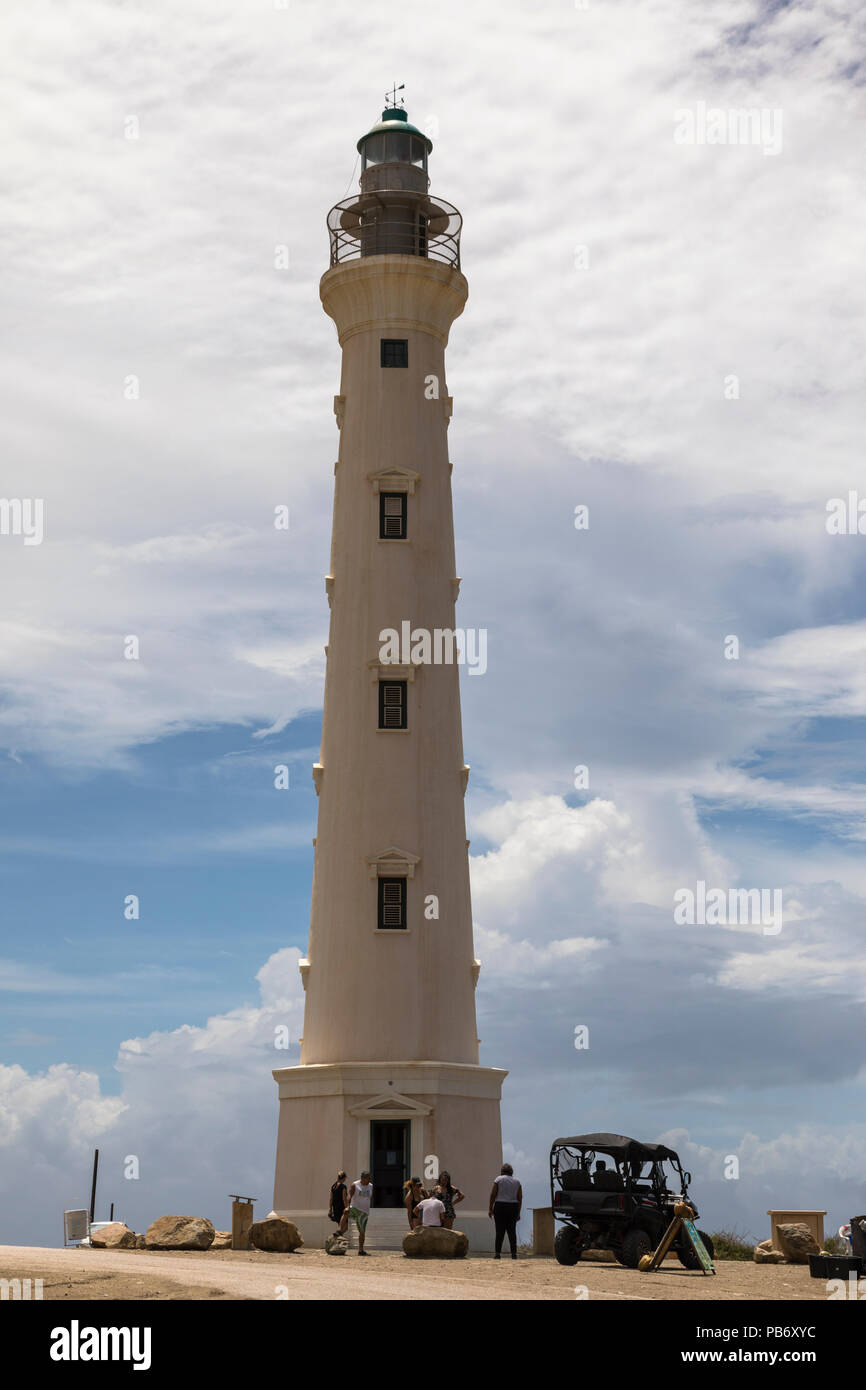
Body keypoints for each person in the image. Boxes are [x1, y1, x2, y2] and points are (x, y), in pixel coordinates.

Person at [488, 1162, 522, 1259]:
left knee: (499, 1231)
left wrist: (490, 1208)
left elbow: (493, 1194)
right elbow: (520, 1198)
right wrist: (518, 1213)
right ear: (511, 1172)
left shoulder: (498, 1179)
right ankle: (514, 1254)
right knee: (512, 1231)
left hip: (500, 1206)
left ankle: (497, 1253)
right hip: (513, 1207)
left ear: (502, 1171)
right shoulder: (517, 1182)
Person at [340, 1170, 373, 1255]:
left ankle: (361, 1250)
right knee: (346, 1212)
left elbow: (369, 1197)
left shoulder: (370, 1186)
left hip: (364, 1212)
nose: (369, 1180)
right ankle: (339, 1230)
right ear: (363, 1178)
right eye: (368, 1178)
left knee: (362, 1232)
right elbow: (349, 1196)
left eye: (370, 1178)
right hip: (355, 1208)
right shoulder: (355, 1184)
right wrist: (347, 1206)